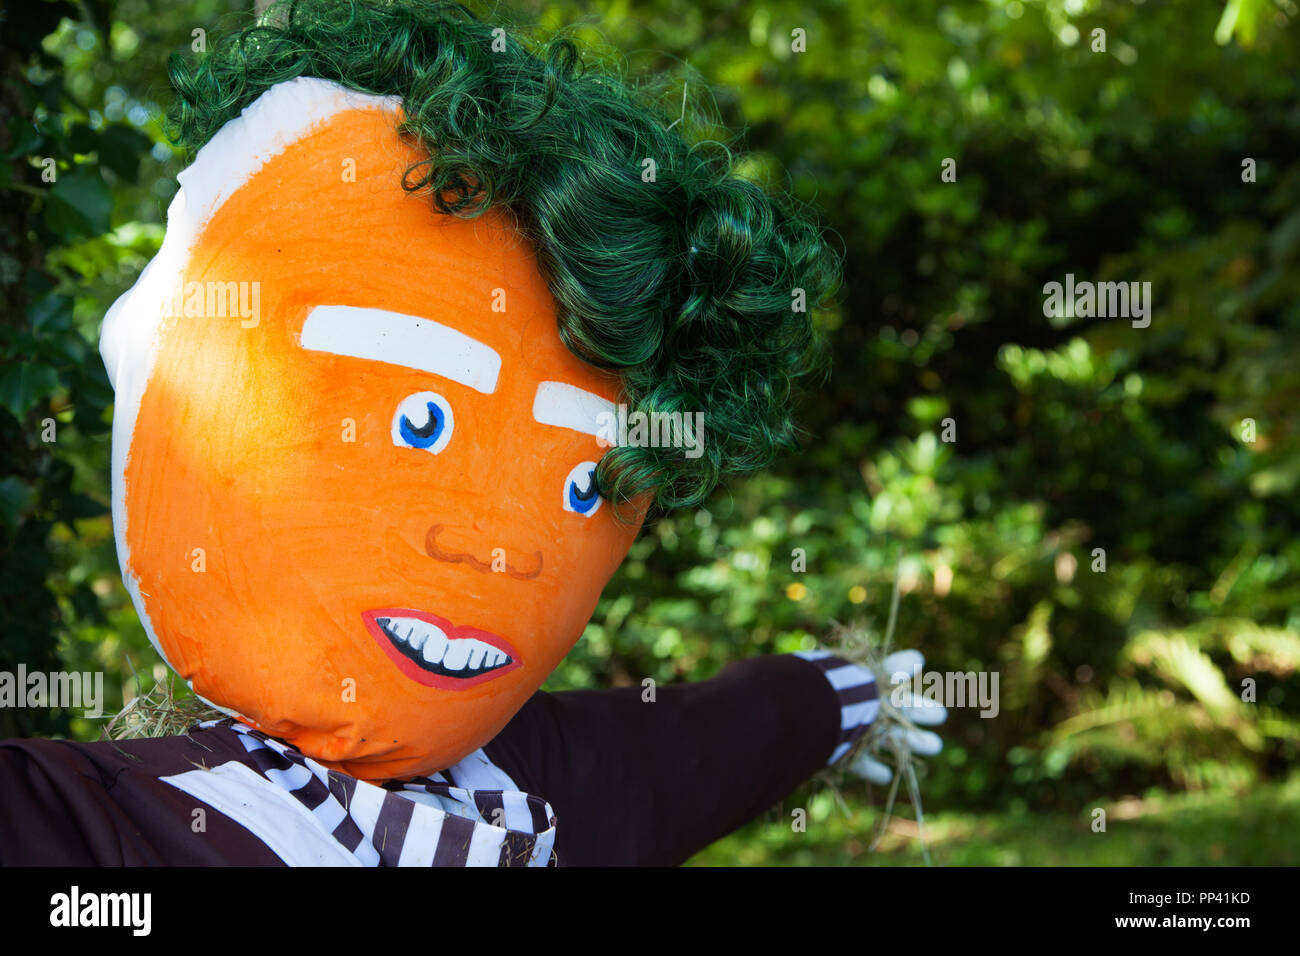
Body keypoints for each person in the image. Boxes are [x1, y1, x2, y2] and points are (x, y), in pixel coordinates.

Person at [0, 0, 943, 866]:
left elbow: (706, 739)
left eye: (584, 482)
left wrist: (852, 695)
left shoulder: (548, 783)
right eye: (422, 422)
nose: (495, 544)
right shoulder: (101, 826)